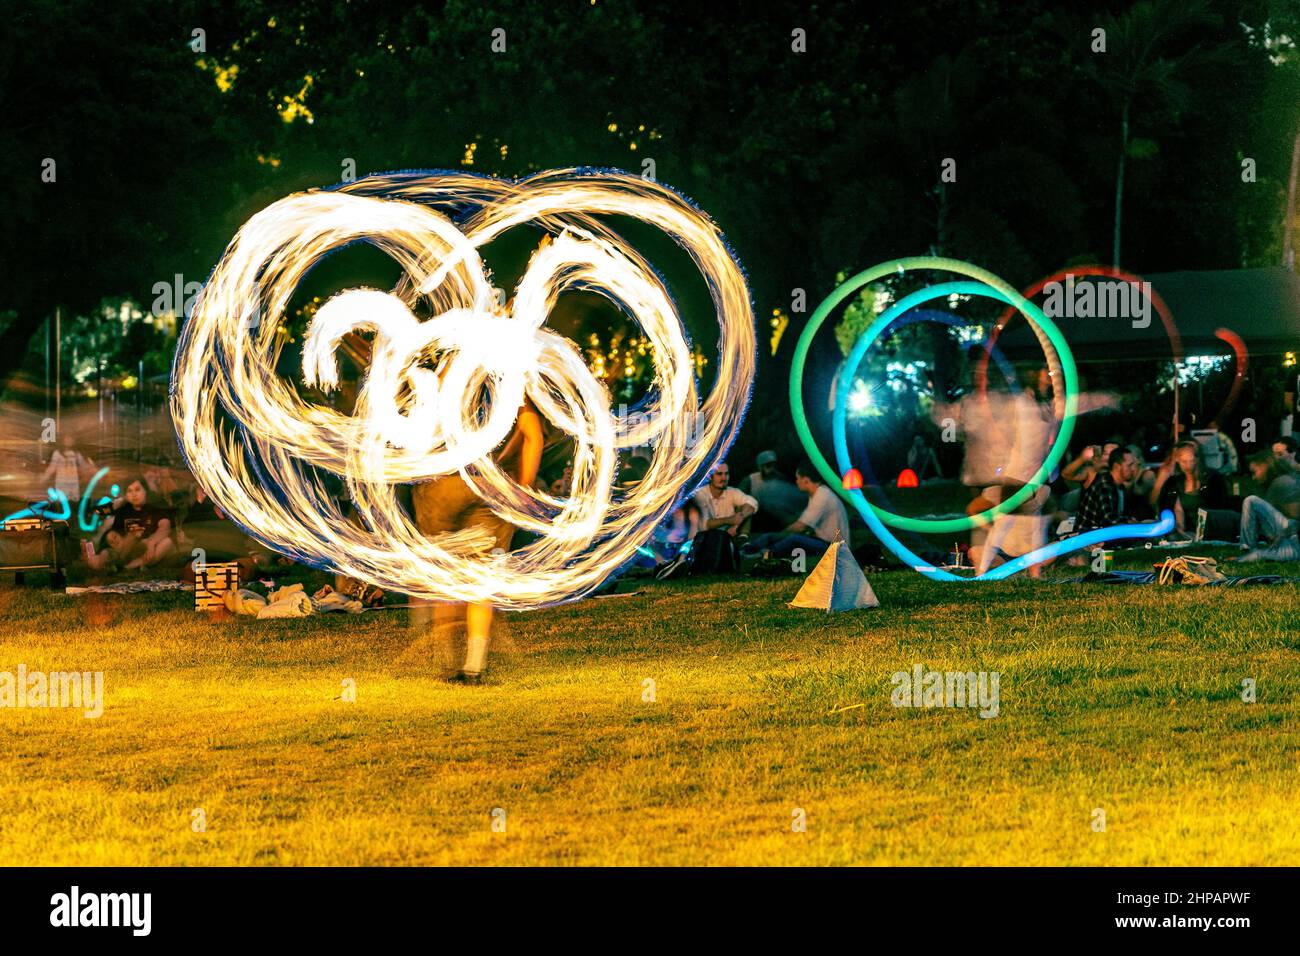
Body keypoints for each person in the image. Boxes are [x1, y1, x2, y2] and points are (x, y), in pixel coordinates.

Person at [411, 399, 544, 684]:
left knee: (445, 575)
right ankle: (473, 666)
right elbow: (534, 434)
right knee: (482, 579)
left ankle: (447, 663)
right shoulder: (507, 378)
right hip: (490, 487)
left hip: (444, 485)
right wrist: (524, 489)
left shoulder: (446, 374)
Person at [741, 461, 851, 561]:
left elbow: (801, 526)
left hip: (834, 548)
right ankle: (745, 550)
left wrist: (781, 535)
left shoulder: (822, 496)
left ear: (806, 480)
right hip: (823, 542)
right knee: (771, 536)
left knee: (793, 539)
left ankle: (765, 554)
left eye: (798, 478)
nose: (797, 482)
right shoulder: (817, 494)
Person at [85, 477, 177, 571]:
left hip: (152, 546)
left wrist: (151, 543)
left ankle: (127, 567)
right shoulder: (124, 510)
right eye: (129, 491)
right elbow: (115, 530)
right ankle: (122, 564)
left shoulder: (156, 505)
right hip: (130, 549)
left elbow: (165, 527)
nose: (134, 494)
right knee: (97, 558)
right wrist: (111, 537)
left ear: (145, 491)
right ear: (126, 495)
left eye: (137, 490)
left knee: (167, 542)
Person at [1148, 440, 1232, 539]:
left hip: (1205, 530)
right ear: (1178, 461)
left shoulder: (1211, 479)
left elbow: (1219, 507)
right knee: (1148, 525)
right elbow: (1165, 507)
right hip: (1180, 530)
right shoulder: (1175, 483)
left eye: (1191, 461)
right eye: (1183, 461)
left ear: (1197, 459)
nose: (1187, 466)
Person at [1235, 451, 1300, 562]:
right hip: (1290, 546)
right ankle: (1249, 553)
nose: (1254, 478)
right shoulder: (1282, 482)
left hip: (1293, 544)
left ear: (1265, 464)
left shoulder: (1281, 484)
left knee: (1250, 501)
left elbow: (1295, 518)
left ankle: (1247, 547)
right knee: (1255, 557)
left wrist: (1276, 541)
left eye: (1255, 472)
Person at [1075, 447, 1140, 536]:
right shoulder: (1104, 485)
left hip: (1099, 537)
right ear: (1116, 466)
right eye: (1129, 465)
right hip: (1087, 539)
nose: (1133, 469)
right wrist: (1131, 523)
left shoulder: (1120, 487)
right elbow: (1108, 519)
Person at [738, 450, 804, 532]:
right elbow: (739, 498)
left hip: (776, 515)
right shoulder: (750, 480)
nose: (772, 469)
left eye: (774, 466)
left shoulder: (780, 478)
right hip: (756, 514)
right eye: (768, 466)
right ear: (760, 467)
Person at [40, 433, 95, 506]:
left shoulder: (76, 453)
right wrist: (44, 478)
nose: (69, 441)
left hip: (73, 483)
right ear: (63, 441)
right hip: (61, 483)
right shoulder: (57, 453)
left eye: (71, 439)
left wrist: (92, 469)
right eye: (67, 439)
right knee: (62, 505)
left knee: (73, 504)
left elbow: (83, 466)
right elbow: (52, 467)